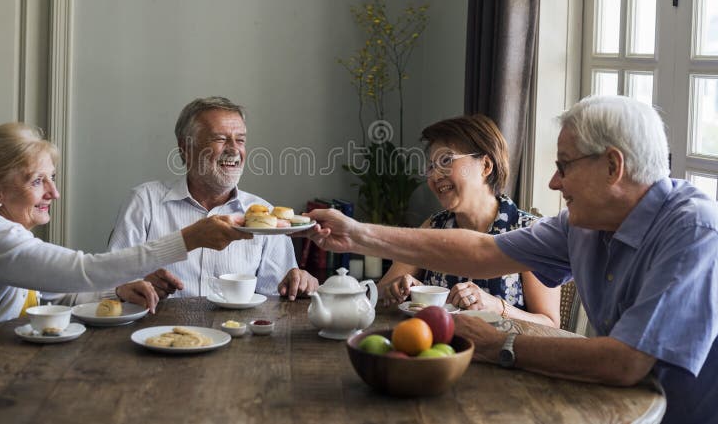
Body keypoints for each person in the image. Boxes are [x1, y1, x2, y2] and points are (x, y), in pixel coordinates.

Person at [304, 95, 718, 424]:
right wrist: (357, 233)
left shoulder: (694, 231)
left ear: (613, 165)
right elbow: (483, 251)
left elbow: (626, 361)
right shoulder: (583, 223)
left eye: (564, 166)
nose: (554, 181)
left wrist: (503, 344)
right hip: (613, 406)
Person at [0, 122, 250, 359]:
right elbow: (83, 270)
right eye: (38, 181)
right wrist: (189, 239)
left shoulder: (0, 235)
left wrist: (117, 291)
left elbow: (55, 293)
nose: (54, 192)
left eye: (52, 178)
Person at [108, 97, 318, 300]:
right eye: (220, 138)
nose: (234, 149)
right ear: (186, 148)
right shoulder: (145, 202)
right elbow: (109, 280)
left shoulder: (266, 215)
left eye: (241, 140)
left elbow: (276, 298)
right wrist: (135, 285)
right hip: (159, 332)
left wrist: (298, 284)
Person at [377, 115, 559, 327]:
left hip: (503, 355)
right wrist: (401, 289)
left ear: (486, 166)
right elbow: (379, 296)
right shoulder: (434, 226)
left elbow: (550, 323)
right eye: (431, 167)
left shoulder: (530, 232)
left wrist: (497, 307)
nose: (435, 176)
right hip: (441, 352)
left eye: (446, 161)